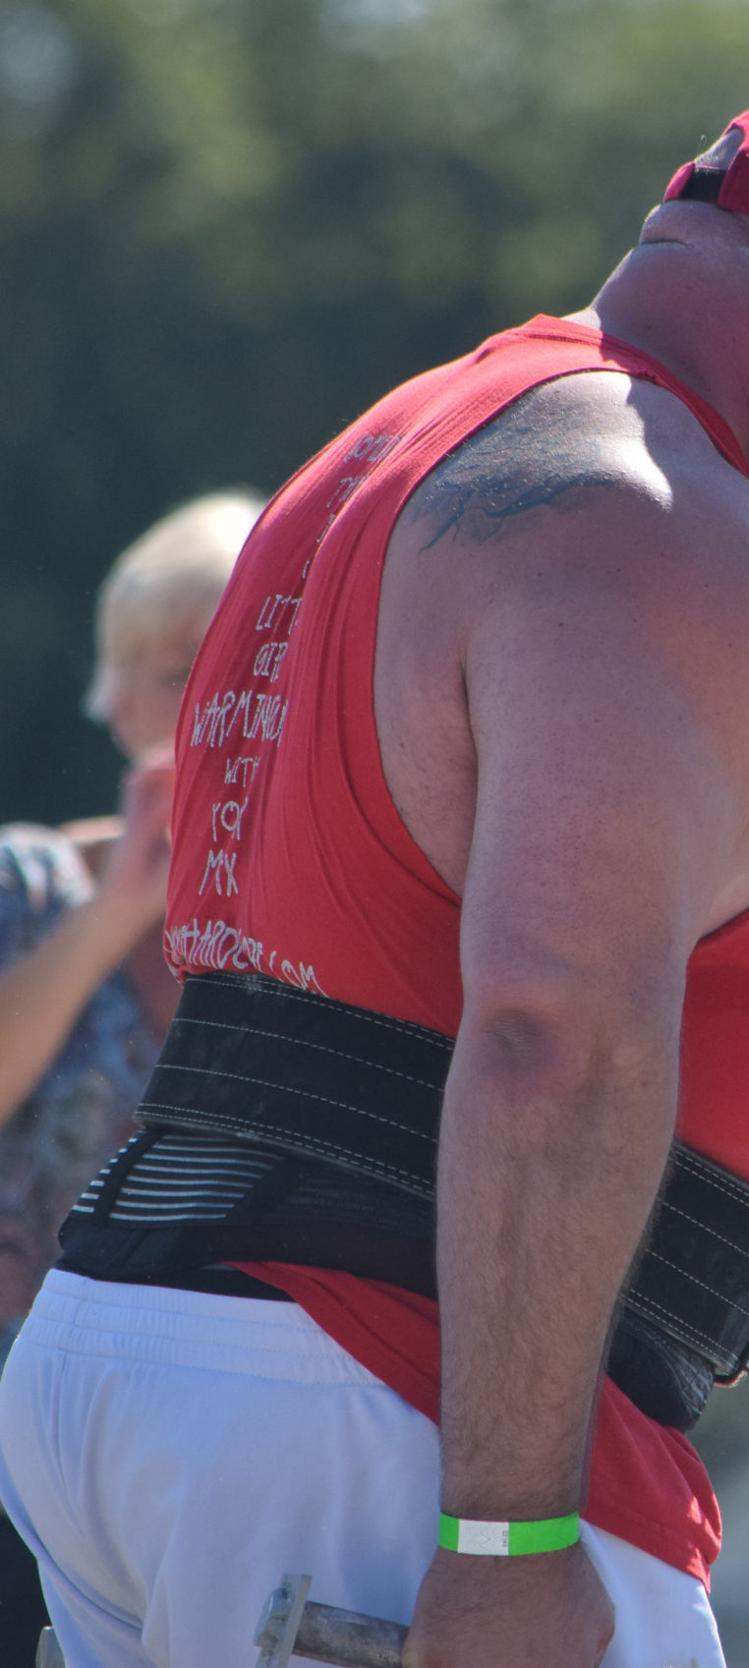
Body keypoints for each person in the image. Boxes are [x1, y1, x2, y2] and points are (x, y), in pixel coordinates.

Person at [0, 85, 749, 1668]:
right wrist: (506, 1536)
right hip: (377, 1410)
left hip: (180, 1363)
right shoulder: (646, 518)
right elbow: (549, 1035)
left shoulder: (392, 446)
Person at [0, 491, 261, 1663]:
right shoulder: (31, 888)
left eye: (234, 668)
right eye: (166, 669)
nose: (198, 700)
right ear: (113, 698)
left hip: (222, 1425)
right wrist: (116, 917)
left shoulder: (320, 933)